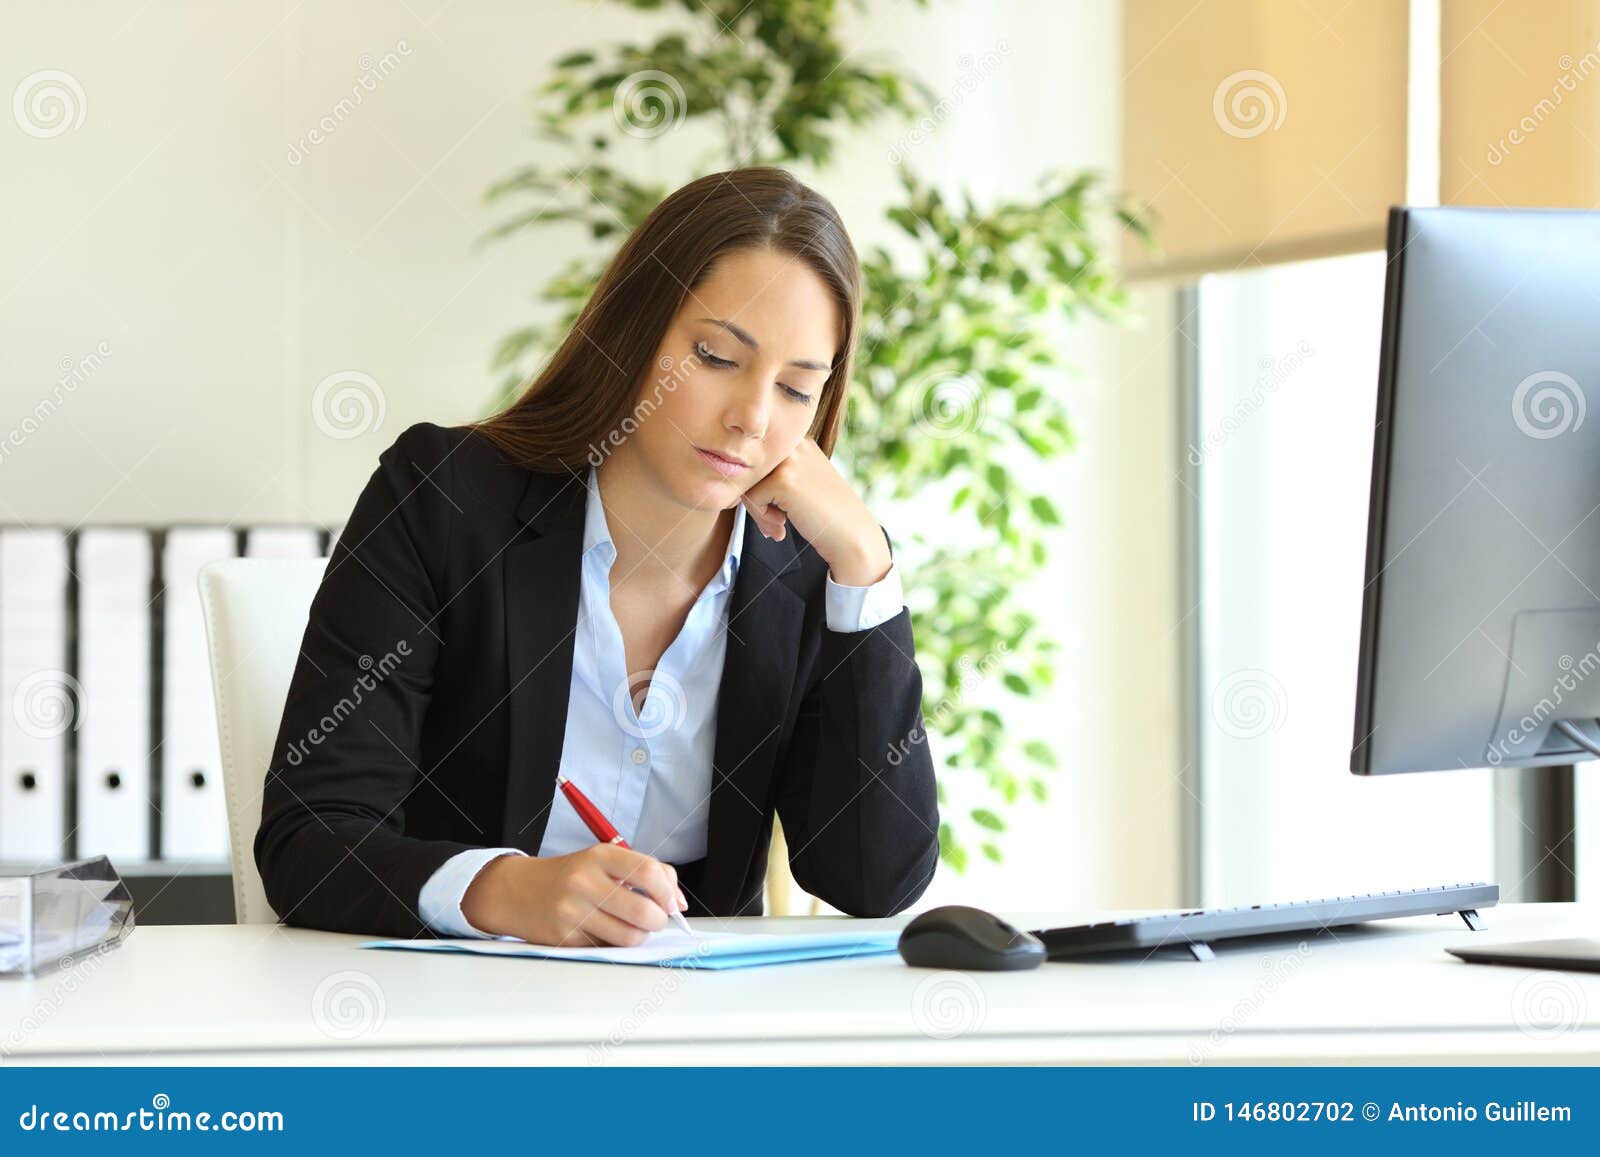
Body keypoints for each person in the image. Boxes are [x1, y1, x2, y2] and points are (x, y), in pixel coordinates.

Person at [256, 166, 939, 945]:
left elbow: (874, 878)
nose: (752, 417)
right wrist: (506, 890)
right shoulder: (443, 501)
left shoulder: (807, 568)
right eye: (716, 357)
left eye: (795, 389)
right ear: (634, 332)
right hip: (445, 1011)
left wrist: (864, 563)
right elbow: (308, 839)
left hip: (689, 1035)